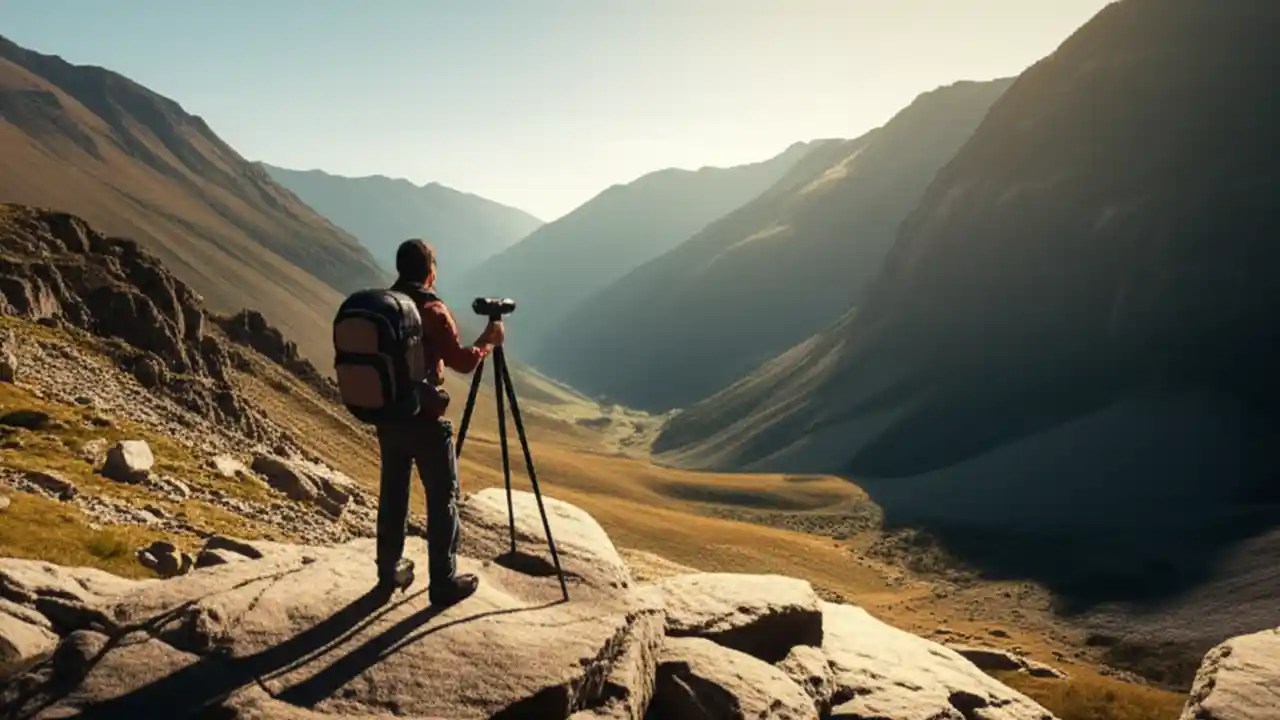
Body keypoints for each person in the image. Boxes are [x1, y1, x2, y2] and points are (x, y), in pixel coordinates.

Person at [375, 238, 504, 606]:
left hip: (390, 416)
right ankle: (443, 581)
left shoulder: (386, 305)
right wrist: (488, 341)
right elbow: (463, 361)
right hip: (426, 419)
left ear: (401, 268)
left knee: (394, 494)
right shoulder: (432, 310)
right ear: (430, 272)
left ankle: (388, 570)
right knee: (442, 498)